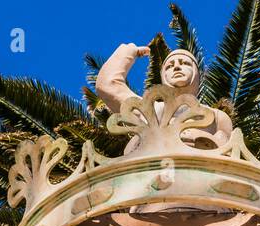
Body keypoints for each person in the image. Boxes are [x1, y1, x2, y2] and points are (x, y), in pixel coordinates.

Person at [95, 42, 233, 150]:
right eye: (169, 66)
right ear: (163, 76)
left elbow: (227, 152)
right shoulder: (150, 110)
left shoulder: (216, 116)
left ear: (196, 73)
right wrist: (128, 52)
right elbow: (108, 85)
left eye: (184, 63)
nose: (177, 67)